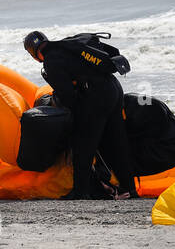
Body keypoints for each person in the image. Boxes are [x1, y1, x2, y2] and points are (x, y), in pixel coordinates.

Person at [24, 30, 138, 199]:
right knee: (117, 143)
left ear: (33, 52)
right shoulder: (67, 47)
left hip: (97, 95)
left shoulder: (51, 60)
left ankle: (80, 191)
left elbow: (68, 94)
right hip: (114, 89)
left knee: (83, 145)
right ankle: (130, 190)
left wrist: (72, 111)